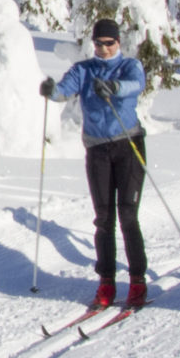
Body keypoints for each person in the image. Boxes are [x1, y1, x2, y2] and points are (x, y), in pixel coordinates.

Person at [38, 17, 150, 309]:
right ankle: (107, 282)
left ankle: (137, 280)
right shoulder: (83, 70)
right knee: (103, 219)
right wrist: (52, 91)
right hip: (98, 150)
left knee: (128, 215)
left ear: (118, 43)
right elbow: (64, 90)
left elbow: (136, 85)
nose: (102, 48)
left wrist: (114, 87)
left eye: (108, 43)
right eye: (98, 43)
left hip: (128, 146)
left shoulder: (129, 66)